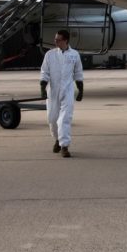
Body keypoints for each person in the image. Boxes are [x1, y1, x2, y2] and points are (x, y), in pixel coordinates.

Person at [39, 29, 84, 157]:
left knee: (65, 118)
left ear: (66, 40)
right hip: (53, 91)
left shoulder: (74, 55)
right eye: (55, 39)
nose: (55, 42)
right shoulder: (50, 55)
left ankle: (65, 146)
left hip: (67, 90)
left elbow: (78, 73)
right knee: (52, 119)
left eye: (58, 40)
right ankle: (58, 140)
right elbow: (44, 72)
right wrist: (43, 87)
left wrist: (80, 90)